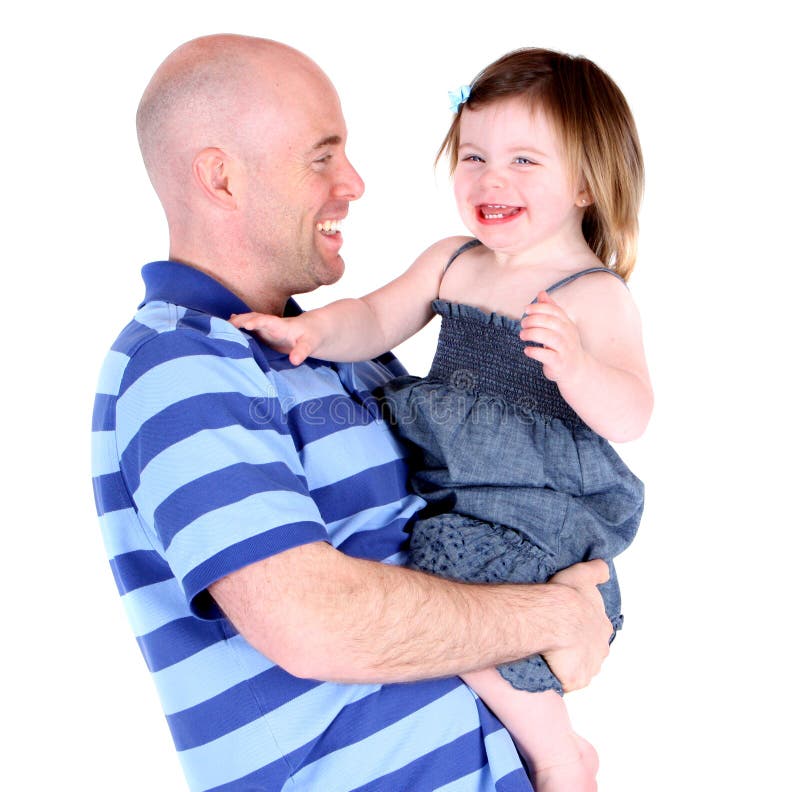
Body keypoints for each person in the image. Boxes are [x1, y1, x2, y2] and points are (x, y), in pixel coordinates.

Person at [91, 34, 614, 792]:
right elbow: (310, 622)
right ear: (222, 178)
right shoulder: (178, 363)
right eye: (321, 157)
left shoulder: (343, 355)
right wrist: (555, 616)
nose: (355, 183)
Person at [231, 47, 652, 792]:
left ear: (587, 183)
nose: (491, 179)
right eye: (474, 157)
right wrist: (312, 331)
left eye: (524, 161)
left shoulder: (592, 293)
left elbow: (632, 413)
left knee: (461, 593)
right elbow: (374, 318)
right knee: (442, 599)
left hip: (534, 505)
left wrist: (578, 370)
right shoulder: (455, 260)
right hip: (456, 490)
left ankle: (558, 754)